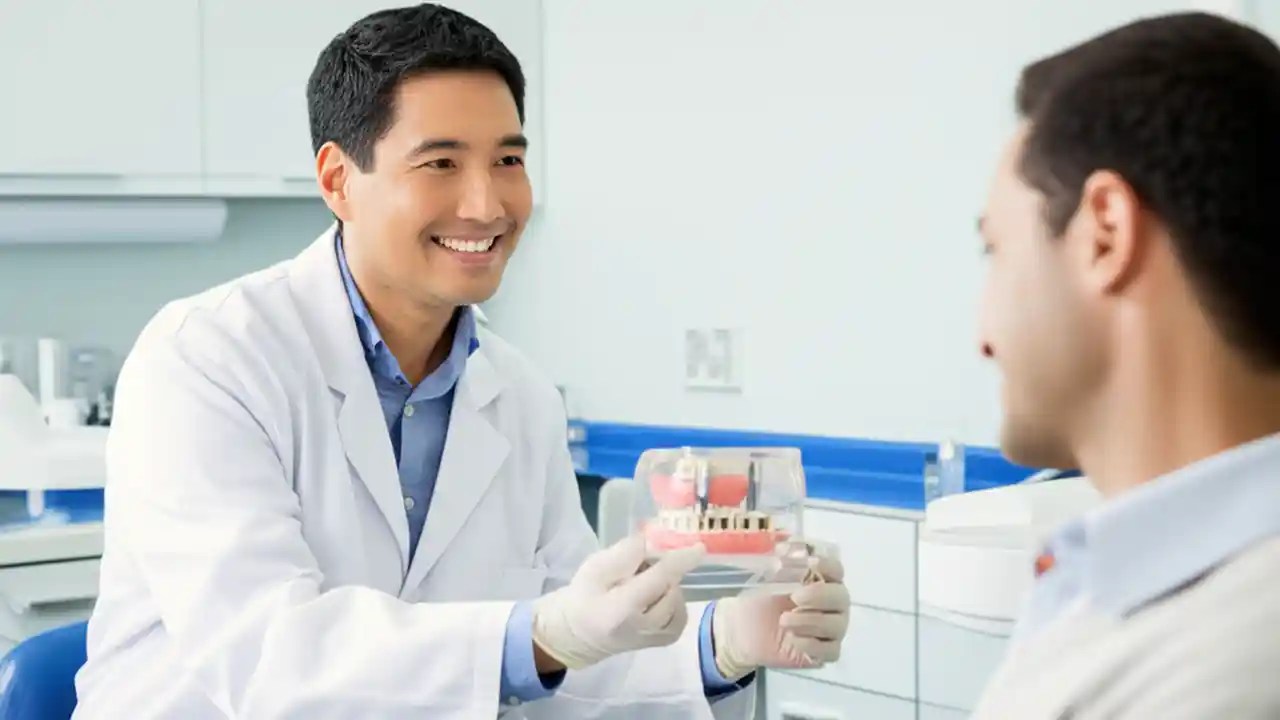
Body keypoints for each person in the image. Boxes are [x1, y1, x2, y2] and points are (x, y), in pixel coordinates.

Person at [70, 4, 851, 719]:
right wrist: (551, 633)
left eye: (508, 160)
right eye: (440, 164)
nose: (486, 204)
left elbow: (583, 643)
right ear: (339, 180)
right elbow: (272, 661)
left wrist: (722, 642)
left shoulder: (519, 396)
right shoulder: (209, 359)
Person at [970, 11, 1280, 719]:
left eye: (996, 251)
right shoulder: (1119, 587)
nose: (982, 337)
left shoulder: (1230, 674)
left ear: (1104, 232)